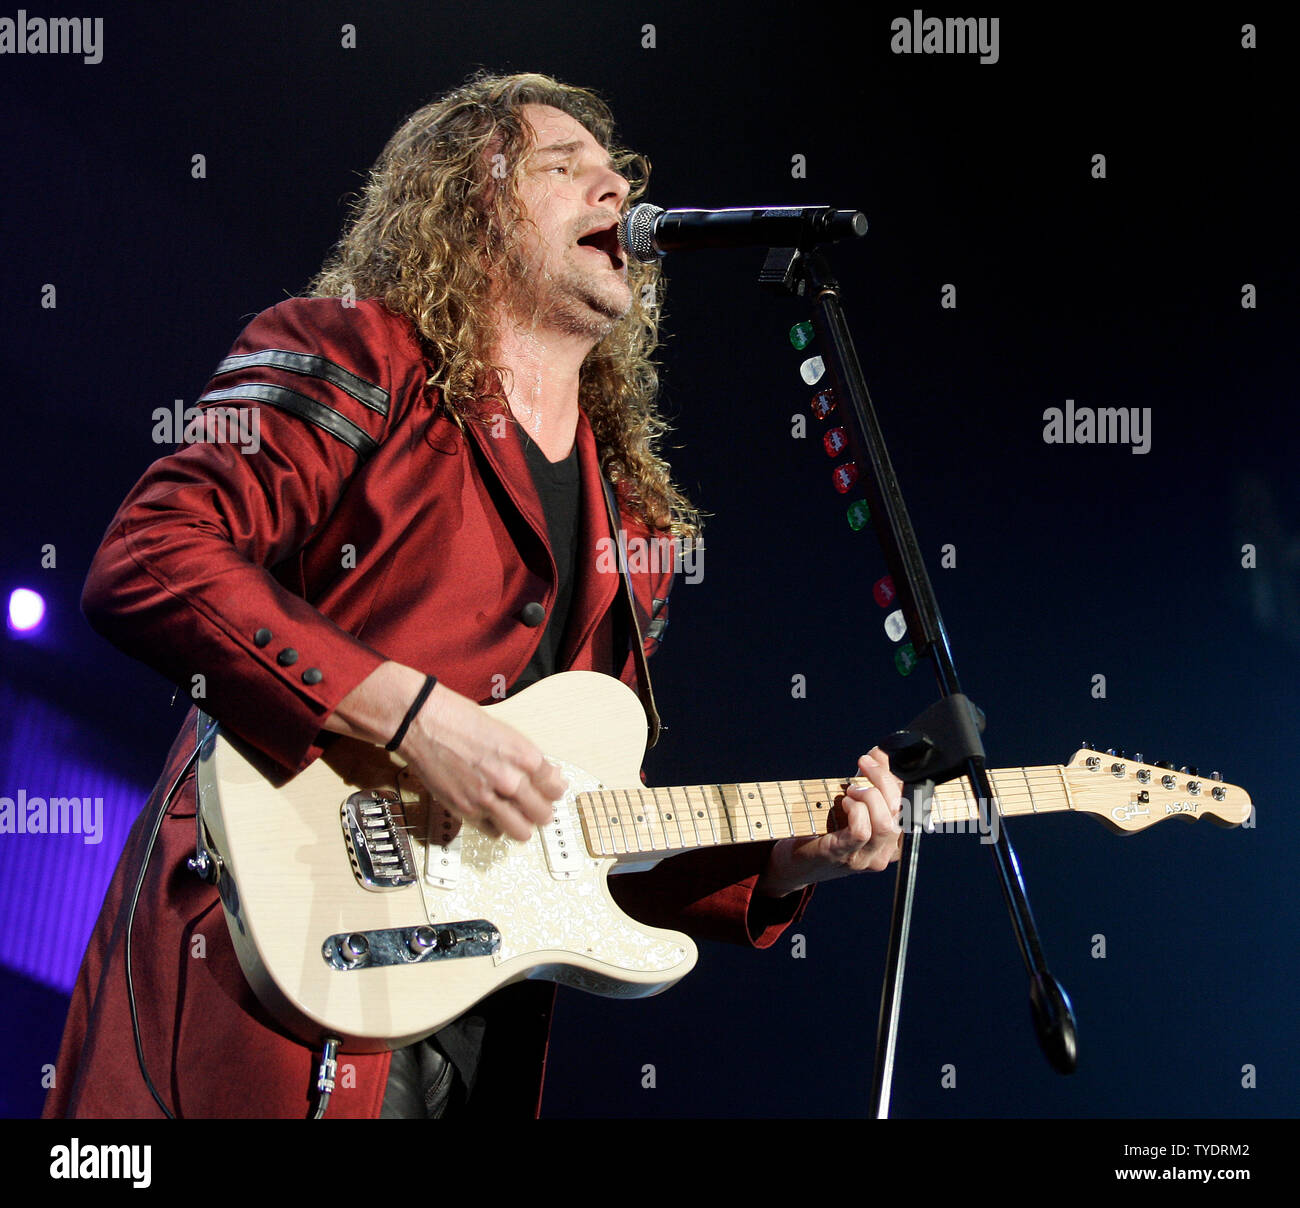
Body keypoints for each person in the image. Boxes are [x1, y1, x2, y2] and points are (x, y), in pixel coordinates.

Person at [44, 70, 903, 1119]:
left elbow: (571, 843)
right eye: (564, 165)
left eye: (618, 171)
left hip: (472, 1034)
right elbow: (151, 556)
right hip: (269, 966)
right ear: (471, 202)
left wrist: (781, 859)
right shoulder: (351, 353)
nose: (613, 186)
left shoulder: (635, 524)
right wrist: (409, 715)